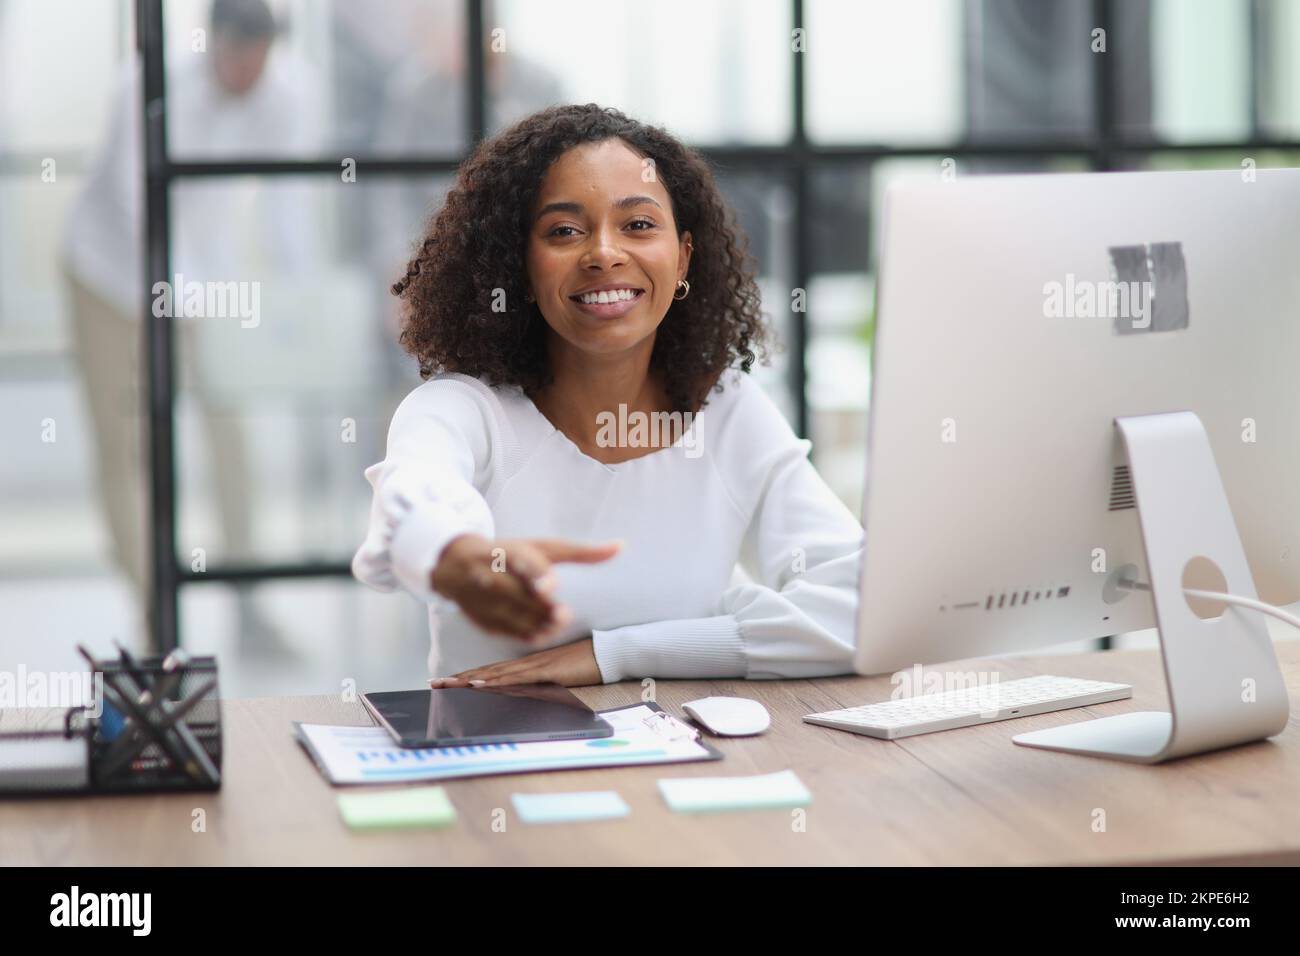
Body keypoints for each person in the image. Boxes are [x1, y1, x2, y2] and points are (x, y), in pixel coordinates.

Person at [352, 103, 864, 687]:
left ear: (684, 256)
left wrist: (615, 655)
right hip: (502, 760)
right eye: (564, 231)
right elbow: (415, 502)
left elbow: (859, 608)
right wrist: (452, 559)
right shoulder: (463, 409)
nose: (603, 252)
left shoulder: (727, 408)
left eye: (639, 225)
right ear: (519, 265)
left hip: (690, 759)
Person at [62, 0, 320, 653]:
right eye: (236, 58)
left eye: (258, 60)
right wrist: (192, 293)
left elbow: (287, 201)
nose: (246, 73)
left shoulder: (290, 92)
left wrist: (301, 302)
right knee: (127, 445)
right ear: (213, 45)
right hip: (111, 278)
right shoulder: (146, 85)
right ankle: (156, 617)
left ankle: (247, 602)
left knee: (229, 430)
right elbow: (135, 205)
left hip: (204, 277)